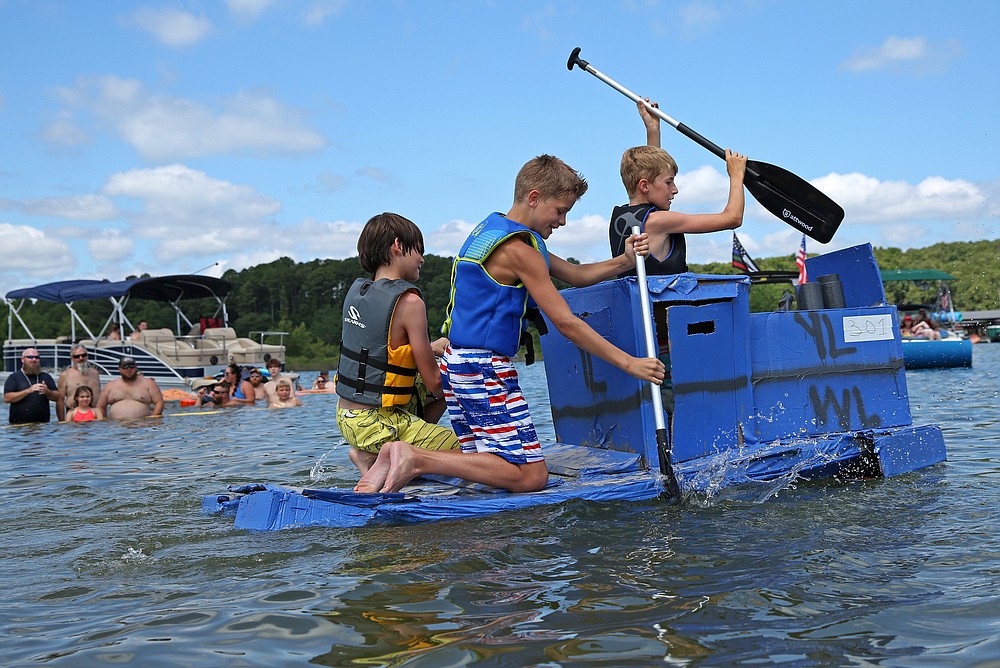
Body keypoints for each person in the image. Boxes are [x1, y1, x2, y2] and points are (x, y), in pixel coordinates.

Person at [355, 155, 664, 495]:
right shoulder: (520, 250)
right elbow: (565, 323)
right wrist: (630, 363)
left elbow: (576, 275)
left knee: (488, 465)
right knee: (531, 476)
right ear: (534, 198)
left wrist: (623, 260)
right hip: (483, 369)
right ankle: (413, 458)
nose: (562, 221)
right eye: (560, 211)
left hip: (457, 364)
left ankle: (392, 462)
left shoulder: (491, 233)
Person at [335, 212, 461, 476]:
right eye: (419, 250)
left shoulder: (359, 294)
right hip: (378, 425)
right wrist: (469, 371)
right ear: (398, 246)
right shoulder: (410, 302)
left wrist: (431, 347)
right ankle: (398, 456)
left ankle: (371, 455)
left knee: (433, 381)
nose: (422, 259)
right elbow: (435, 383)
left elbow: (382, 349)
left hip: (348, 419)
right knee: (471, 452)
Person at [609, 99, 747, 276]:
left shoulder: (625, 215)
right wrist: (736, 176)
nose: (675, 189)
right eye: (669, 182)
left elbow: (652, 175)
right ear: (644, 185)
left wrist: (653, 129)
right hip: (661, 296)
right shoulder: (659, 221)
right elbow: (732, 218)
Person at [4, 348, 62, 424]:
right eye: (30, 357)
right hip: (19, 426)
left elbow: (58, 397)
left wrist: (47, 391)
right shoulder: (14, 377)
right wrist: (28, 391)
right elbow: (7, 398)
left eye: (37, 357)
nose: (34, 360)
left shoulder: (46, 377)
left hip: (43, 426)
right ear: (23, 360)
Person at [97, 356, 164, 419]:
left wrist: (154, 418)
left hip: (142, 424)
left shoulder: (149, 383)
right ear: (119, 369)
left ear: (136, 367)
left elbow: (159, 402)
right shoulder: (110, 386)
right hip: (116, 425)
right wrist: (104, 422)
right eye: (125, 367)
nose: (129, 369)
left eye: (132, 366)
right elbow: (100, 407)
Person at [57, 344, 102, 412]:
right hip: (73, 414)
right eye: (77, 356)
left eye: (83, 355)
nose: (81, 358)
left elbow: (101, 398)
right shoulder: (65, 375)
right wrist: (62, 418)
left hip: (94, 413)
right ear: (72, 358)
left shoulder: (95, 373)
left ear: (87, 356)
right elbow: (60, 400)